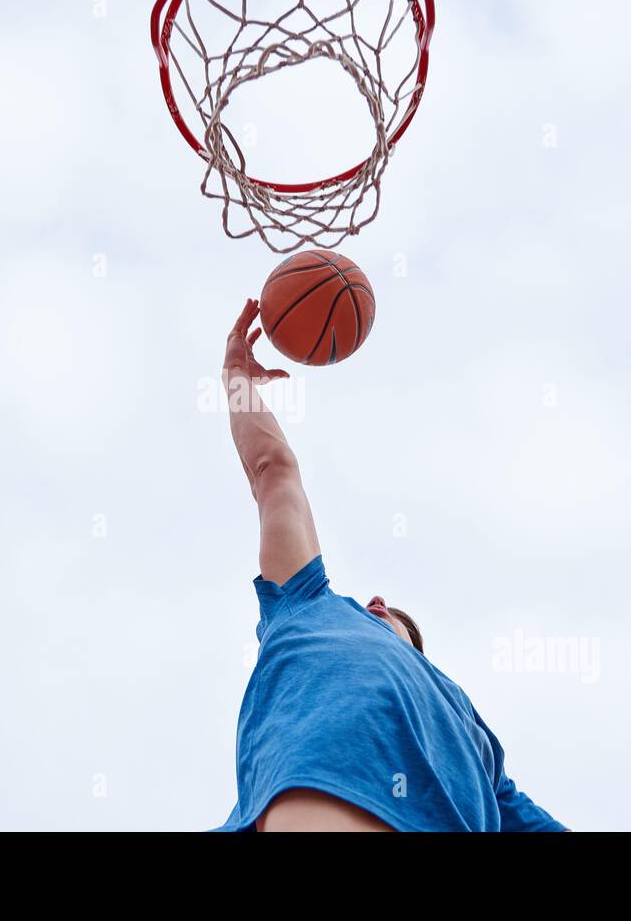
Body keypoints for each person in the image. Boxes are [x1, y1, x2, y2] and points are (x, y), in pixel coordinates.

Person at [216, 298, 567, 832]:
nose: (375, 601)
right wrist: (238, 378)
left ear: (415, 646)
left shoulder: (478, 744)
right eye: (372, 606)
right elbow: (274, 472)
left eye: (395, 614)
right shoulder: (306, 604)